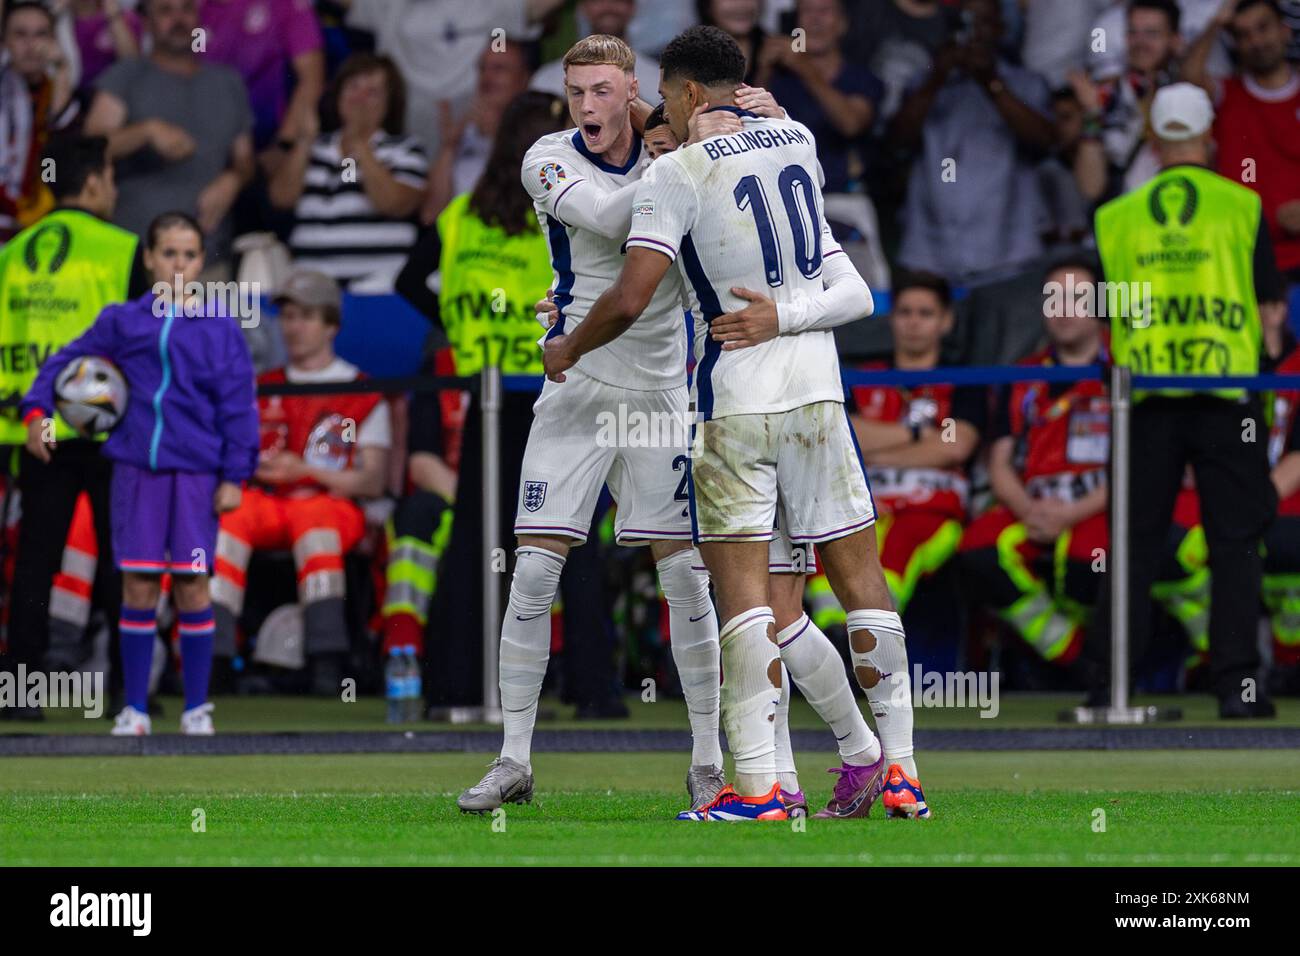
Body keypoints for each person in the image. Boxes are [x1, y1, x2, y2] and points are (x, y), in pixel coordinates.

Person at [544, 25, 921, 821]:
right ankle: (892, 769)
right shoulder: (798, 137)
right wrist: (786, 311)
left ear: (683, 96)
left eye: (661, 108)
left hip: (732, 405)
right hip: (819, 398)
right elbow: (848, 286)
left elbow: (630, 292)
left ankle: (760, 790)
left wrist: (566, 343)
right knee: (848, 587)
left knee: (748, 603)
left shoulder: (675, 172)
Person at [456, 34, 760, 819]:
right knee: (531, 571)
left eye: (601, 91)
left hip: (662, 393)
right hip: (577, 386)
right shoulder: (548, 158)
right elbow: (604, 212)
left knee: (685, 579)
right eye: (575, 92)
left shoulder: (676, 139)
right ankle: (513, 759)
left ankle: (705, 759)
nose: (586, 108)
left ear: (630, 90)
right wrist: (694, 150)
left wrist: (758, 118)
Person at [21, 211, 259, 735]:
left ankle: (197, 709)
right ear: (149, 259)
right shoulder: (121, 321)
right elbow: (62, 362)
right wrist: (37, 414)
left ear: (201, 262)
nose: (178, 265)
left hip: (198, 477)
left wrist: (234, 476)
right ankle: (135, 709)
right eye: (168, 253)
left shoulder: (220, 329)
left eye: (189, 255)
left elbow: (239, 407)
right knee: (138, 587)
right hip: (135, 472)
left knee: (194, 588)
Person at [1089, 82, 1284, 717]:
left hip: (1143, 397)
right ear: (1209, 137)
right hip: (1230, 395)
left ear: (1153, 138)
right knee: (1234, 542)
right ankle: (1237, 688)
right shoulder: (1242, 207)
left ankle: (1112, 686)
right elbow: (1270, 310)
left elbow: (1103, 314)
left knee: (1135, 543)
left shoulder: (1117, 216)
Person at [959, 257, 1210, 666]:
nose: (1064, 310)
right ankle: (1076, 658)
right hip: (1036, 505)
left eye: (1078, 298)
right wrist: (1030, 511)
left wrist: (1072, 512)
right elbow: (999, 463)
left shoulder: (1134, 363)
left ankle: (1201, 659)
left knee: (1089, 558)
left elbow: (1154, 460)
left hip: (1114, 501)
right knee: (979, 550)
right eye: (1053, 299)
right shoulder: (1021, 375)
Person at [0, 134, 146, 720]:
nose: (113, 188)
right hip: (109, 427)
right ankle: (126, 691)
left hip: (32, 427)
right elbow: (146, 343)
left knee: (37, 556)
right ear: (92, 182)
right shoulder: (123, 249)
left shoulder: (12, 251)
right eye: (110, 176)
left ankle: (21, 690)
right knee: (120, 554)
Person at [211, 269, 391, 694]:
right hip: (266, 500)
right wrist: (249, 470)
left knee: (315, 522)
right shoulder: (260, 387)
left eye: (306, 316)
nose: (293, 326)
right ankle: (212, 660)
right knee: (227, 521)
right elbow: (229, 455)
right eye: (288, 316)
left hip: (329, 505)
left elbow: (373, 479)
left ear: (331, 325)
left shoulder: (362, 390)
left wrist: (307, 473)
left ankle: (326, 663)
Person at [801, 272, 982, 637]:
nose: (914, 322)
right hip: (862, 504)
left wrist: (875, 448)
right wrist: (918, 435)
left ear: (946, 321)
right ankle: (837, 640)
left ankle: (871, 641)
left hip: (931, 510)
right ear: (892, 318)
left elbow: (956, 445)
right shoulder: (862, 378)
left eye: (926, 313)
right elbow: (843, 435)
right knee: (828, 551)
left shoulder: (965, 380)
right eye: (905, 312)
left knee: (898, 549)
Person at [83, 0, 255, 273]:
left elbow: (245, 160)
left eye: (186, 9)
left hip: (207, 261)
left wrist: (234, 179)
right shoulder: (126, 75)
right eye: (165, 10)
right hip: (134, 260)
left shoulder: (227, 82)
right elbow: (87, 150)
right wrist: (145, 131)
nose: (178, 19)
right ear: (147, 23)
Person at [891, 0, 1055, 281]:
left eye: (982, 24)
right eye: (963, 24)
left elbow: (1044, 142)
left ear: (1000, 29)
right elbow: (897, 141)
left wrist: (991, 82)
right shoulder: (923, 82)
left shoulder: (1026, 83)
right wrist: (937, 76)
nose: (972, 34)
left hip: (1008, 253)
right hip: (930, 254)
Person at [271, 52, 426, 289]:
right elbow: (281, 198)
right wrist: (303, 142)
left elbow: (393, 204)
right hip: (312, 288)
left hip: (379, 285)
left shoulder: (404, 149)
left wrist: (360, 144)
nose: (359, 98)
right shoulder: (314, 147)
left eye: (373, 92)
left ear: (389, 104)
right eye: (353, 87)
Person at [341, 0, 565, 158]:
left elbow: (536, 6)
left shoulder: (486, 4)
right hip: (401, 148)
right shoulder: (387, 5)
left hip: (471, 147)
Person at [1185, 0, 1300, 284]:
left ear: (1286, 31)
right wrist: (1215, 22)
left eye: (1263, 28)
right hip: (1246, 261)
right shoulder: (1226, 95)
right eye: (1243, 34)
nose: (1256, 41)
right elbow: (1188, 79)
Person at [756, 0, 882, 197]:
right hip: (785, 196)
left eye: (825, 11)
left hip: (844, 198)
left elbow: (851, 124)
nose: (815, 20)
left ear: (842, 23)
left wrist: (804, 67)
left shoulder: (861, 78)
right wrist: (764, 69)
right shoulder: (780, 79)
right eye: (807, 11)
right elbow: (751, 127)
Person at [423, 40, 533, 224]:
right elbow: (431, 214)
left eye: (499, 69)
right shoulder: (463, 132)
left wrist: (497, 138)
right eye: (483, 69)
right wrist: (449, 147)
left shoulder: (541, 130)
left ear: (524, 78)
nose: (487, 77)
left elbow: (530, 198)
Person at [198, 0, 325, 156]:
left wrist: (283, 146)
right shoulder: (183, 6)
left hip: (258, 139)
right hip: (189, 134)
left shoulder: (285, 5)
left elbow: (311, 78)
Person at [0, 1, 79, 243]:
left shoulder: (56, 93)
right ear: (5, 41)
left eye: (40, 34)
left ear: (54, 41)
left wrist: (63, 70)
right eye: (20, 34)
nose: (31, 45)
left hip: (40, 230)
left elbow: (58, 149)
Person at [530, 0, 661, 103]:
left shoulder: (658, 79)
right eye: (597, 0)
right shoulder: (547, 79)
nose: (608, 7)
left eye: (619, 0)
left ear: (633, 7)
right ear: (583, 7)